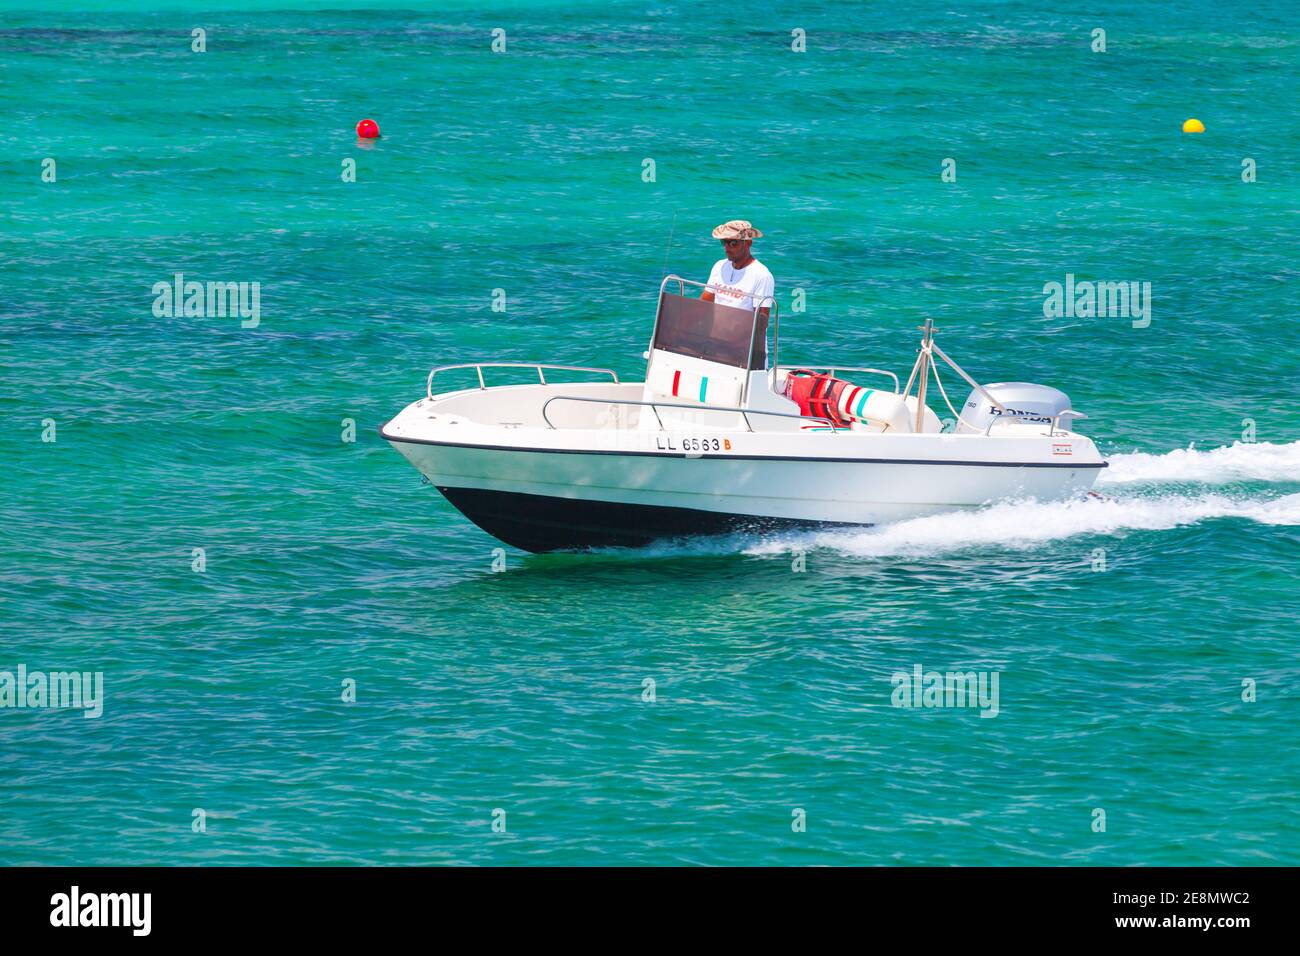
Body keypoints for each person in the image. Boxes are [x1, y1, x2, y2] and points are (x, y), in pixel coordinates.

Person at [701, 220, 774, 320]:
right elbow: (704, 304)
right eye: (724, 242)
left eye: (733, 243)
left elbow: (761, 322)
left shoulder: (762, 276)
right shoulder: (719, 266)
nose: (726, 248)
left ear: (748, 243)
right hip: (717, 332)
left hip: (743, 335)